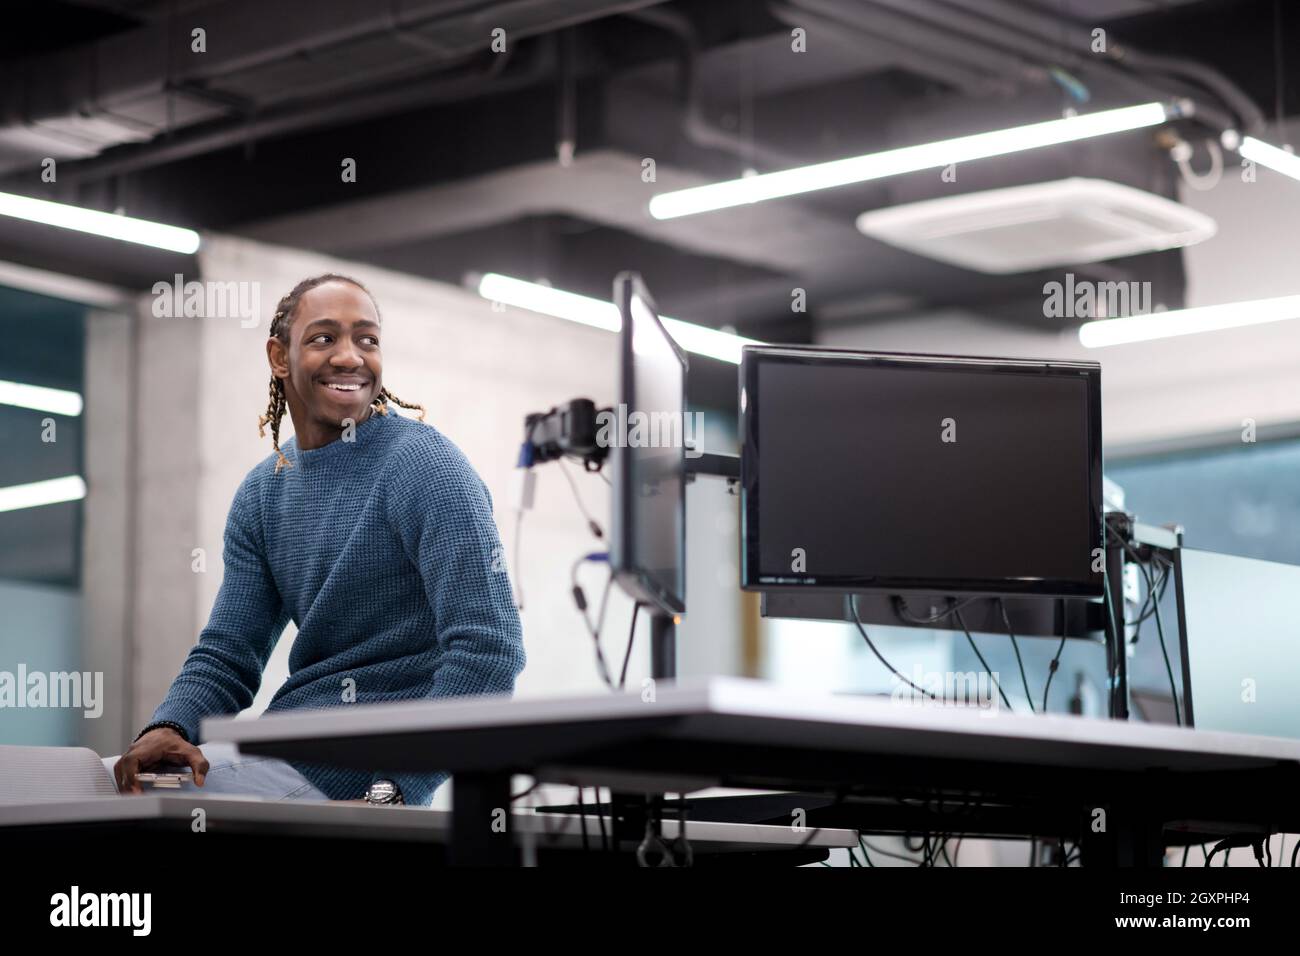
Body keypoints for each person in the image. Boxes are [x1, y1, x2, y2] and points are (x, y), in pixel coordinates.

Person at [105, 273, 525, 806]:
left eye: (367, 339)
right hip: (285, 749)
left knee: (113, 805)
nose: (350, 357)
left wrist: (396, 790)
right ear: (279, 357)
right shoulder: (263, 491)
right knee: (93, 783)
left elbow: (490, 649)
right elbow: (230, 652)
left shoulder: (426, 467)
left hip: (358, 776)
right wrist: (170, 725)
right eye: (325, 338)